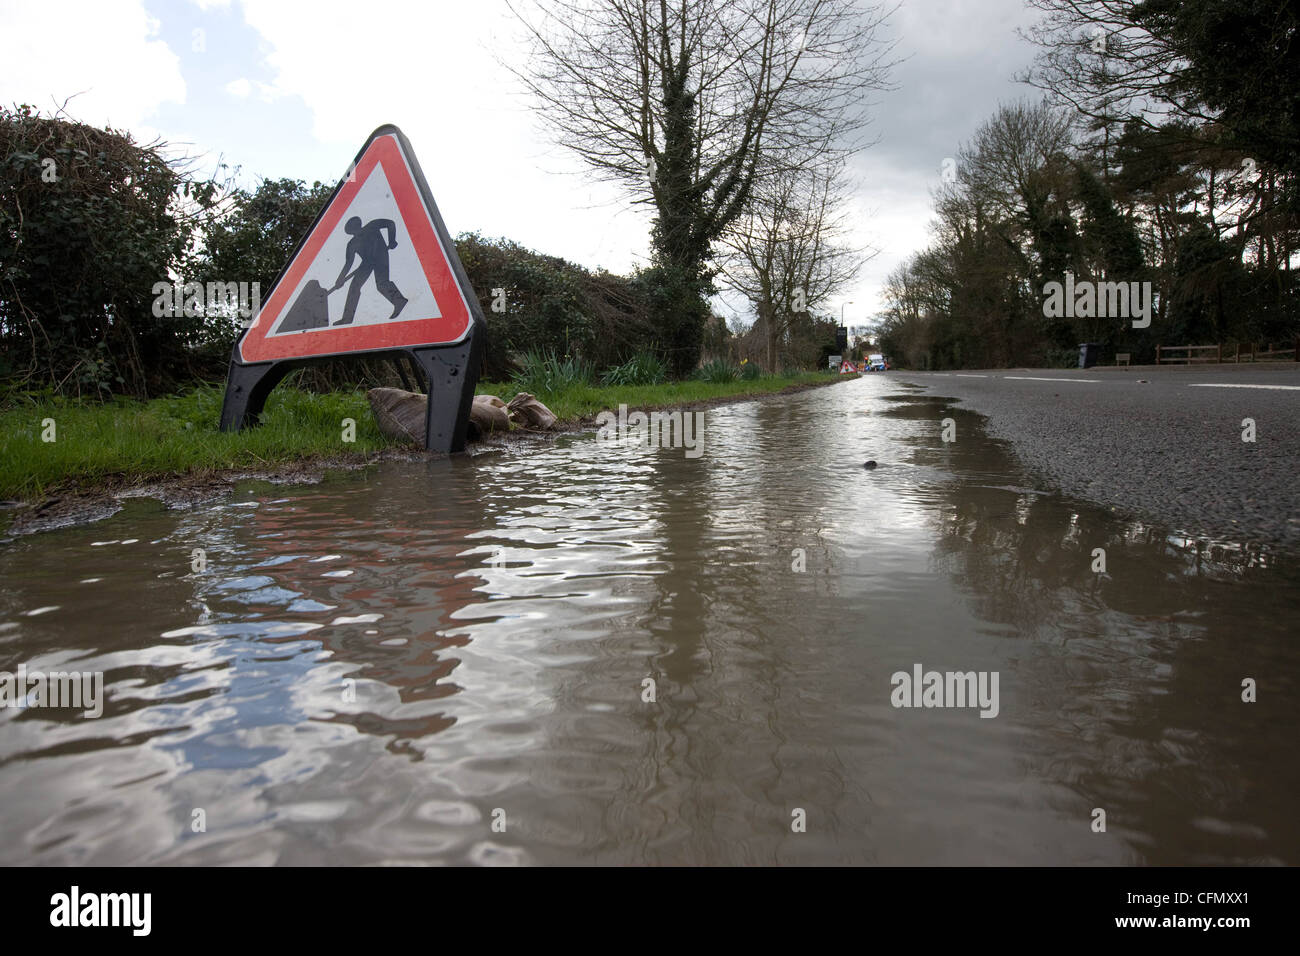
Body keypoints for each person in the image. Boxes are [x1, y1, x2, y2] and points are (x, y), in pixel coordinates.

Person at [330, 216, 409, 325]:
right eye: (353, 231)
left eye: (356, 229)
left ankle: (399, 301)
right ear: (351, 232)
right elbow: (348, 263)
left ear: (359, 225)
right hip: (366, 263)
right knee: (354, 287)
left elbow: (390, 223)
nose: (356, 233)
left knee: (382, 284)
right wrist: (340, 279)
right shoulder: (352, 244)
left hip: (380, 256)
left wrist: (392, 240)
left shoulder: (372, 225)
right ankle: (347, 318)